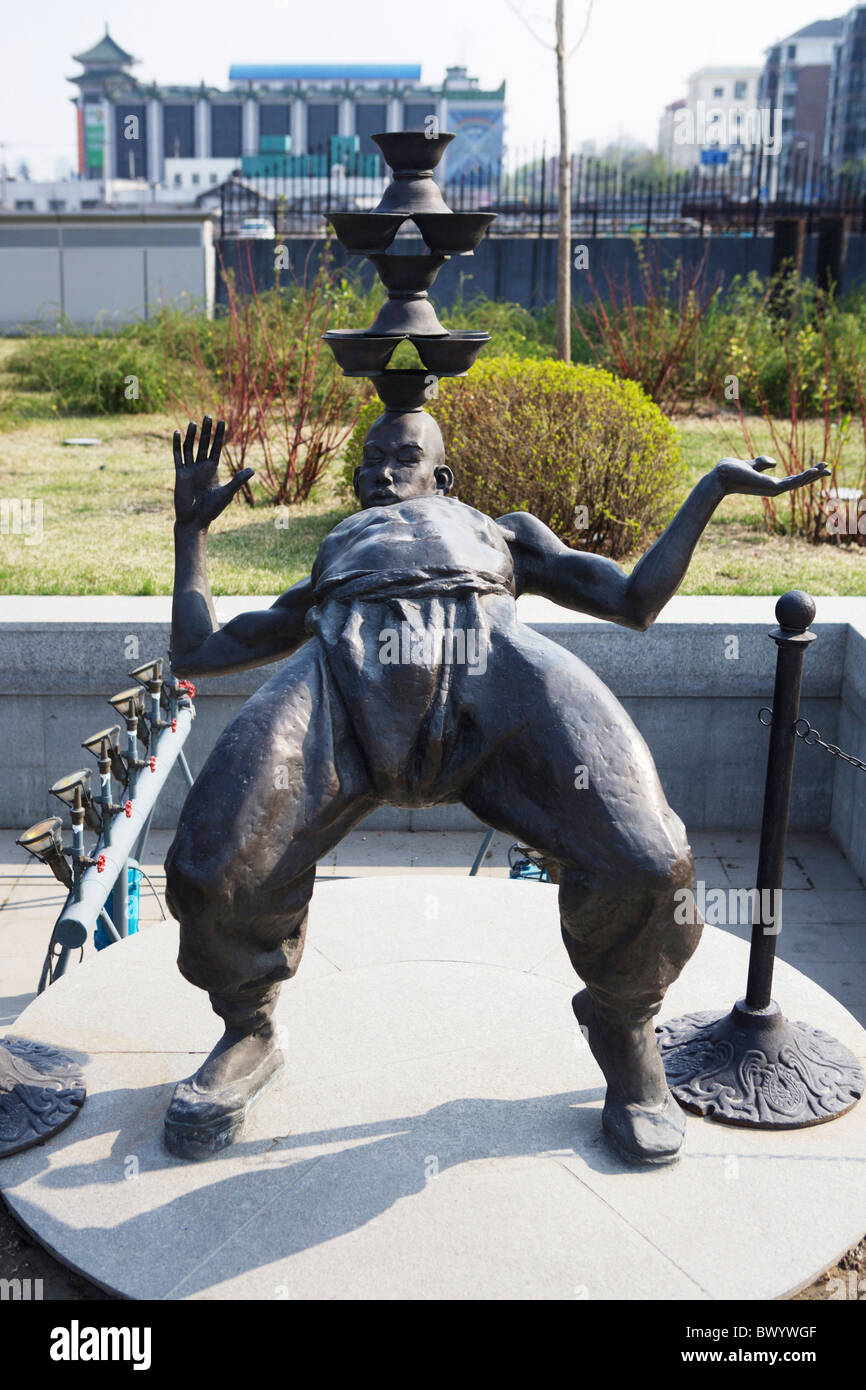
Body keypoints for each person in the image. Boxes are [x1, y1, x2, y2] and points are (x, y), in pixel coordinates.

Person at [163, 411, 828, 1164]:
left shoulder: (499, 532)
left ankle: (625, 1027)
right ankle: (247, 1028)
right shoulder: (336, 559)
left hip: (497, 678)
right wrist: (192, 532)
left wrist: (708, 490)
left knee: (650, 861)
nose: (381, 471)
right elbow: (197, 649)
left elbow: (634, 599)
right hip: (340, 687)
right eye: (369, 461)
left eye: (402, 457)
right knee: (211, 865)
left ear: (442, 479)